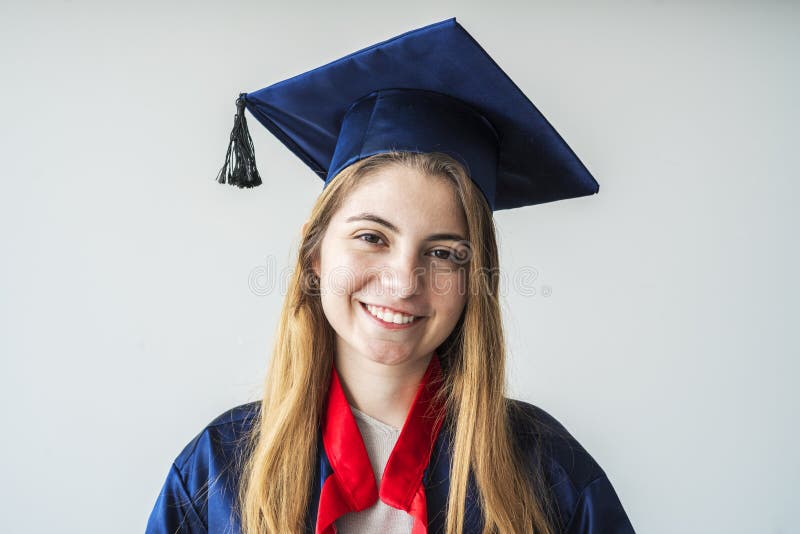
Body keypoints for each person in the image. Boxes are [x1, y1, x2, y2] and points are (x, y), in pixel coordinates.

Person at [146, 17, 635, 534]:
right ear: (314, 254)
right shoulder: (215, 476)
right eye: (372, 237)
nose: (404, 281)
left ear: (476, 281)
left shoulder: (550, 476)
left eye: (444, 253)